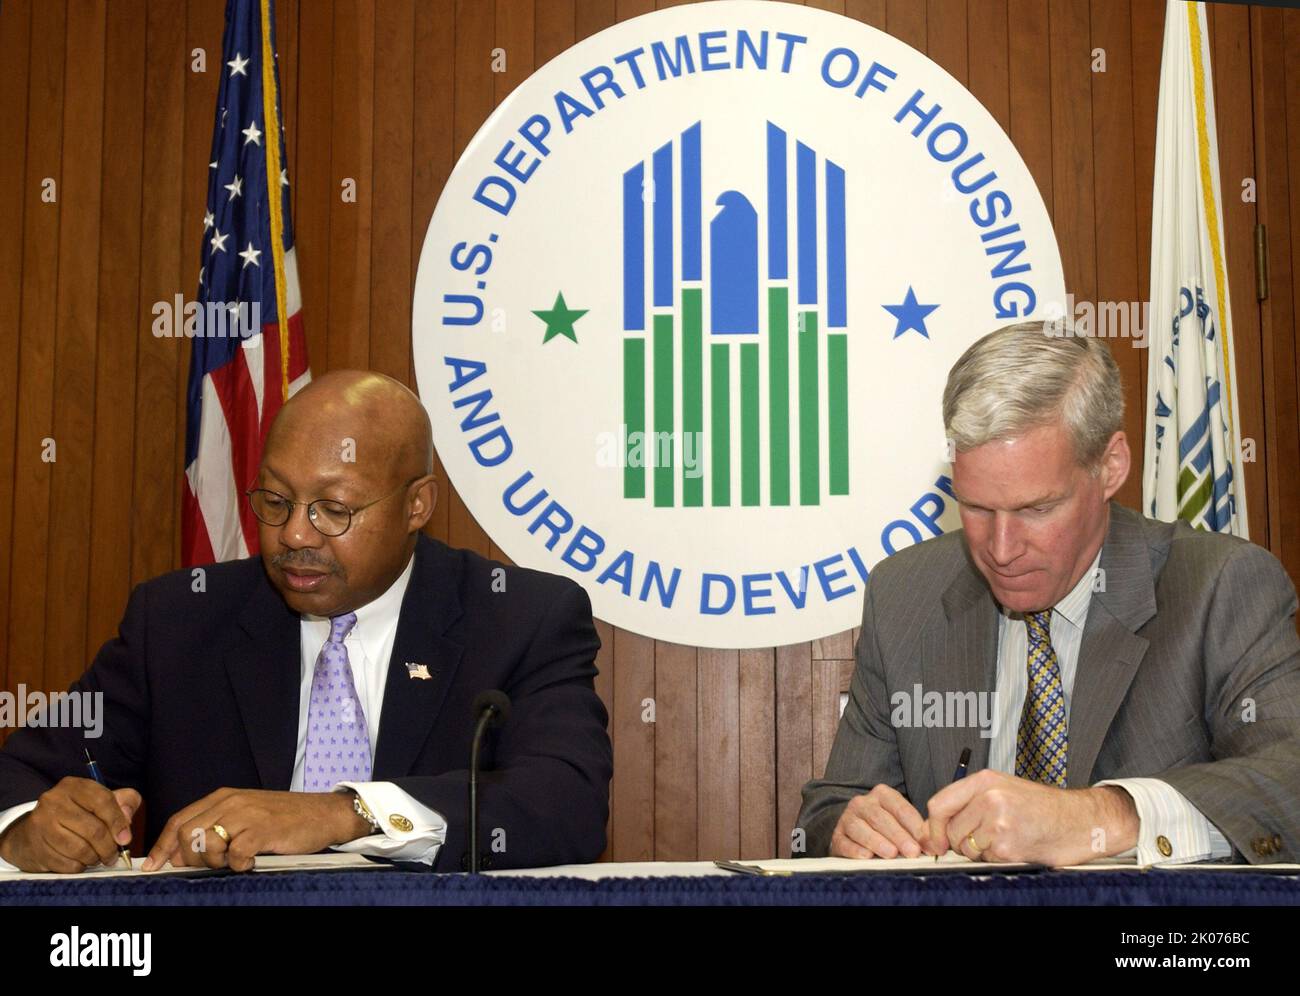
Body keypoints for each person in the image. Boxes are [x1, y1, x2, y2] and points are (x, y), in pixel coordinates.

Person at [0, 370, 612, 873]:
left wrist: (345, 813)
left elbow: (566, 803)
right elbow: (21, 770)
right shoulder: (180, 620)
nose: (293, 534)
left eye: (333, 509)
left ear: (417, 505)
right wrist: (27, 828)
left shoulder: (520, 618)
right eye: (275, 500)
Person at [796, 321, 1300, 866]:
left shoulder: (1219, 587)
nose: (1002, 548)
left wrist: (1102, 816)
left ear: (1110, 467)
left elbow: (1288, 782)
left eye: (1037, 509)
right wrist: (847, 827)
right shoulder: (905, 595)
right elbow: (830, 809)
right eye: (977, 508)